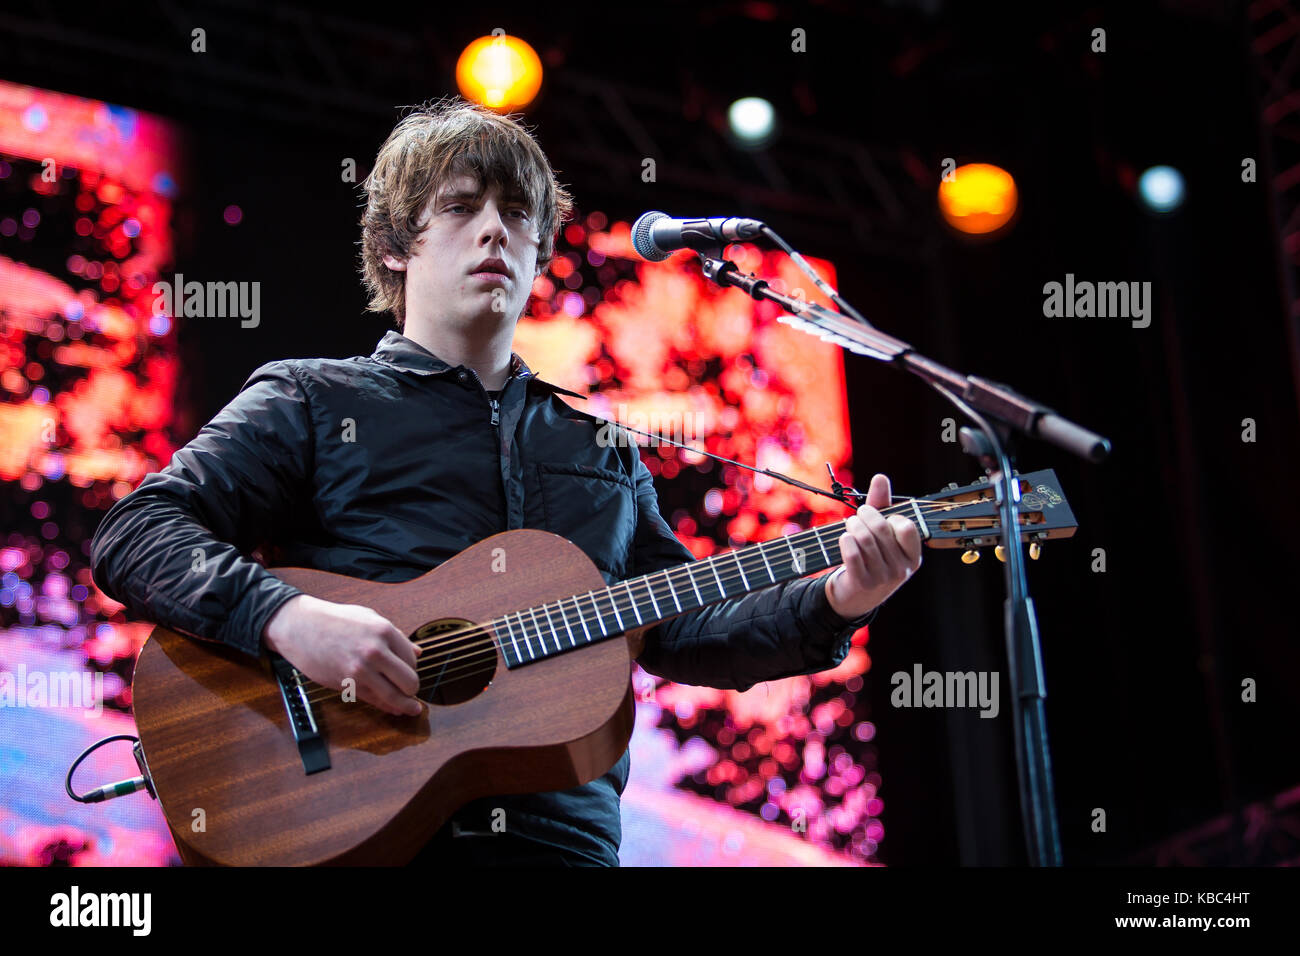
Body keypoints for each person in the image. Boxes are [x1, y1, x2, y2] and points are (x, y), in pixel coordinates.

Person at [90, 95, 922, 867]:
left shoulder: (600, 446)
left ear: (537, 253)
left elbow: (680, 627)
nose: (494, 231)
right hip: (368, 832)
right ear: (392, 246)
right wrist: (288, 620)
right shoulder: (311, 397)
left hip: (566, 846)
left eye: (516, 216)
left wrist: (838, 598)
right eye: (460, 208)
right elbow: (137, 533)